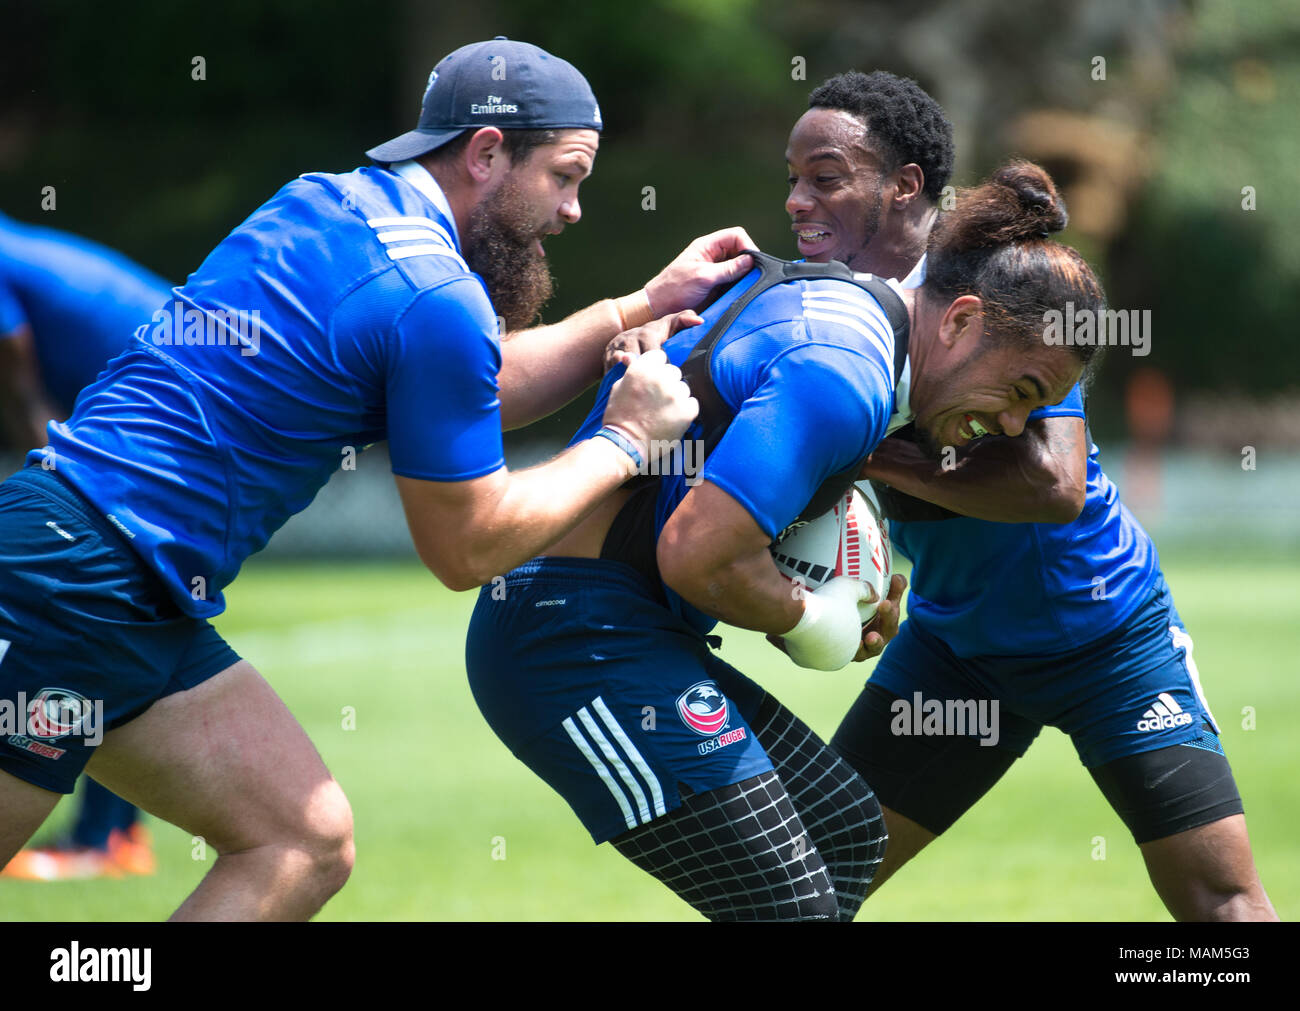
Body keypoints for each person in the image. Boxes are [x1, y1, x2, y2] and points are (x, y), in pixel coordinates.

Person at [0, 37, 756, 920]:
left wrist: (637, 309)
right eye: (565, 175)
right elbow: (468, 544)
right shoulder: (433, 293)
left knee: (302, 840)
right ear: (485, 153)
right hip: (79, 582)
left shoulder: (326, 203)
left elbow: (467, 389)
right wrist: (625, 442)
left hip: (117, 571)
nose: (574, 210)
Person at [465, 153, 1105, 921]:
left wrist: (810, 582)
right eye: (1021, 392)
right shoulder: (846, 374)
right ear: (962, 319)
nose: (1010, 425)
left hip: (632, 622)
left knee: (849, 829)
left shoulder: (845, 311)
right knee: (794, 912)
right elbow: (697, 552)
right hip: (566, 642)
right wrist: (815, 619)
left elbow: (707, 497)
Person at [793, 76, 1279, 921]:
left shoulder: (1002, 294)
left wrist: (872, 458)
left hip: (1107, 640)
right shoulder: (825, 308)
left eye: (827, 178)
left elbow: (1051, 484)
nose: (800, 200)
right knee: (801, 890)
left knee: (1220, 903)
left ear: (901, 186)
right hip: (956, 652)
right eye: (794, 179)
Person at [0, 213, 164, 879]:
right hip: (168, 391)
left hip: (166, 400)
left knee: (95, 612)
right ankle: (112, 834)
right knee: (126, 613)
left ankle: (105, 838)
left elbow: (15, 372)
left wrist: (47, 477)